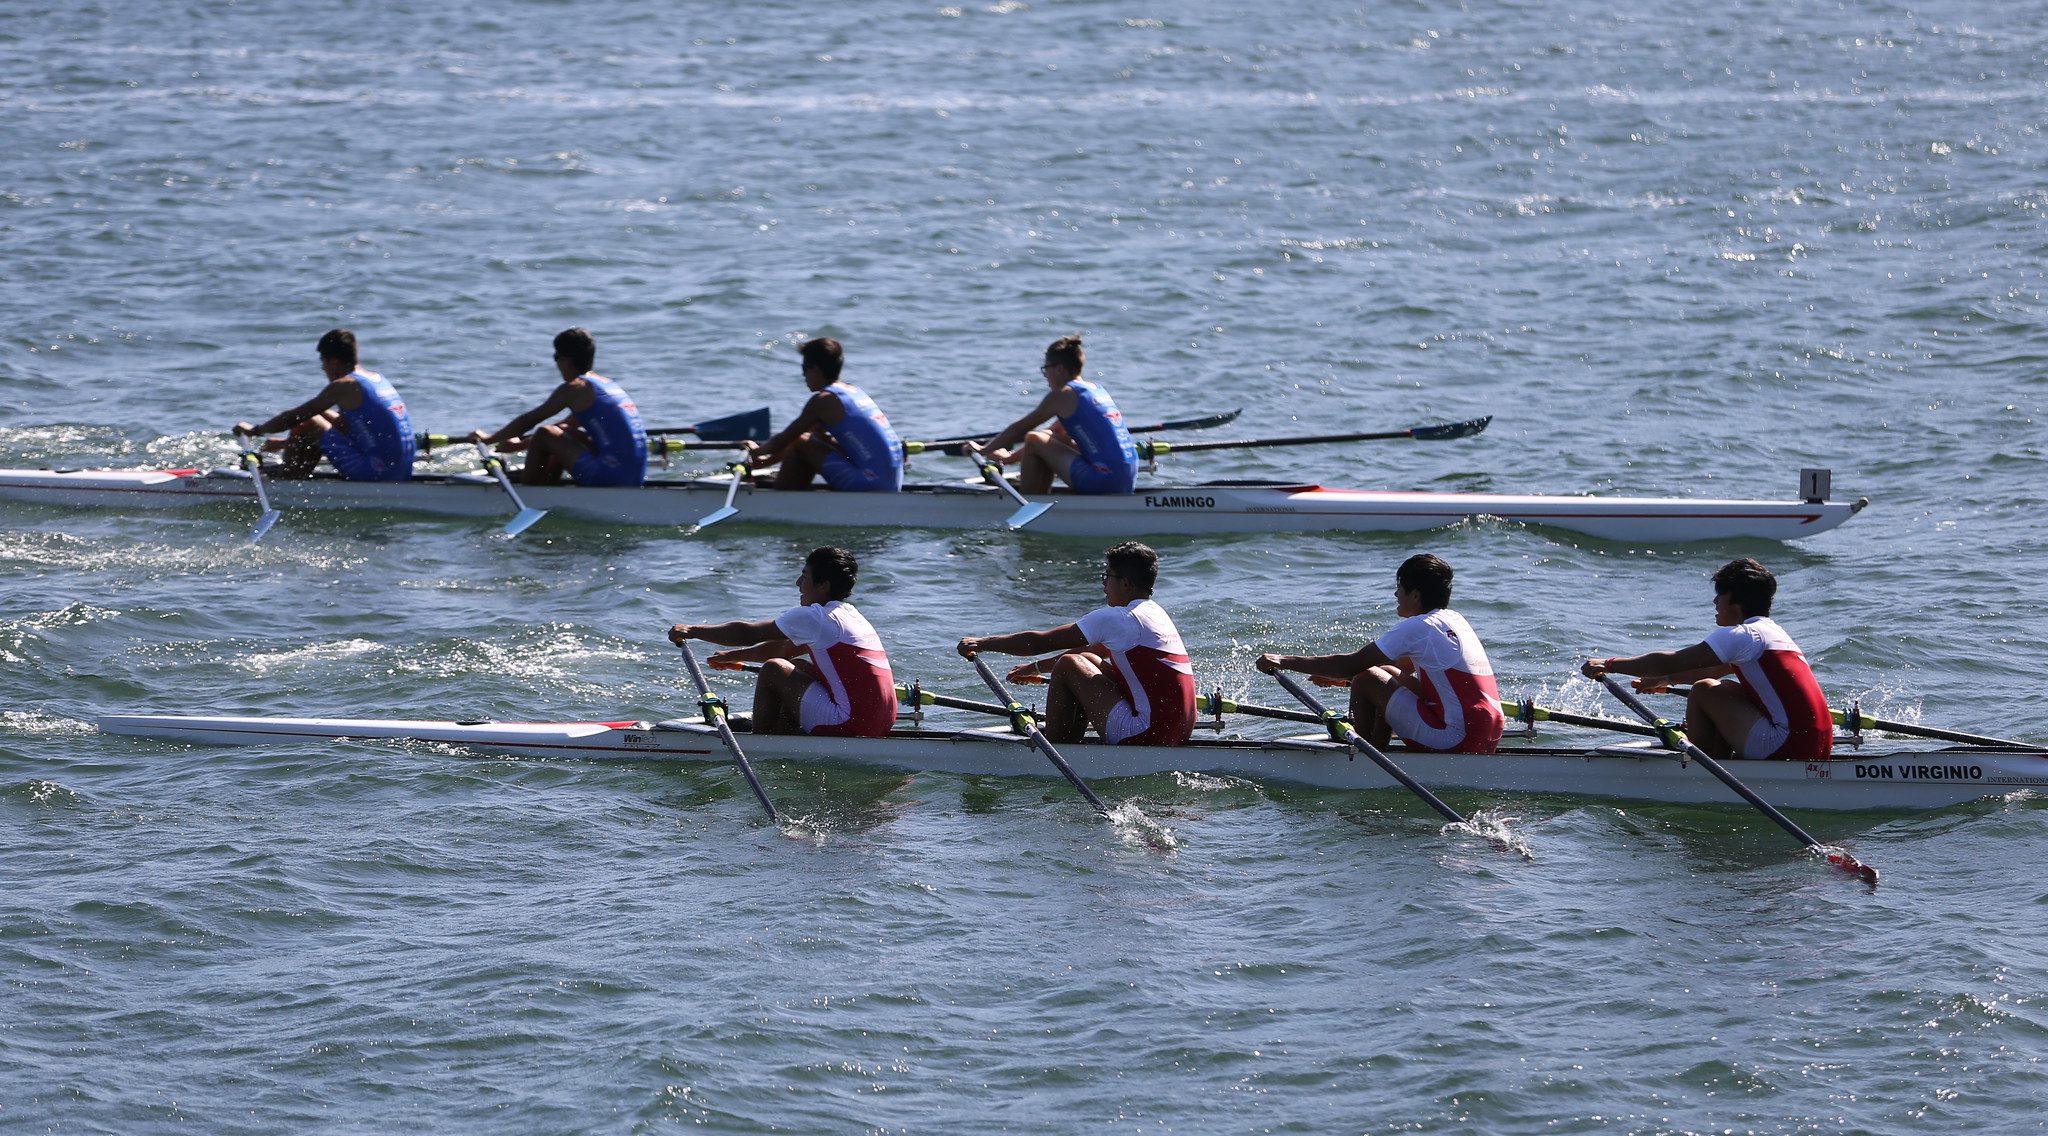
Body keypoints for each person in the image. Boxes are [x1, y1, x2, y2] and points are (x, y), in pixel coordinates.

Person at [1581, 558, 1831, 761]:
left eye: (1719, 595)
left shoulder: (1742, 635)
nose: (1715, 602)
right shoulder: (1773, 633)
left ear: (1736, 601)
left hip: (1786, 747)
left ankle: (1704, 766)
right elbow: (1711, 669)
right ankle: (1722, 756)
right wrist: (1665, 680)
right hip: (1819, 745)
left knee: (1703, 691)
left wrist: (1609, 664)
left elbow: (1670, 661)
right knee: (1725, 687)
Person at [1257, 554, 1505, 754]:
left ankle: (1363, 753)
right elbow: (1398, 668)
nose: (1396, 595)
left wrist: (1283, 661)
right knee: (1384, 673)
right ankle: (1379, 746)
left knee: (1366, 677)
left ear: (1415, 594)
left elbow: (1352, 665)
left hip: (1456, 740)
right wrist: (1348, 680)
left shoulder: (1419, 627)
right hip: (1489, 733)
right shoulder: (1453, 620)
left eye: (1399, 588)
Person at [957, 541, 1196, 745]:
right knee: (1087, 660)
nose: (1104, 585)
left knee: (1069, 663)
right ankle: (1071, 733)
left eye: (1107, 577)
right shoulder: (1155, 614)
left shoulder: (1117, 618)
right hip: (1178, 732)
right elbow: (1095, 650)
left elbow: (1038, 642)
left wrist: (983, 642)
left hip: (1145, 734)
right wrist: (1037, 668)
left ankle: (1056, 740)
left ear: (1126, 584)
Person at [667, 547, 897, 738]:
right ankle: (785, 731)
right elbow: (784, 648)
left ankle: (763, 741)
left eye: (805, 576)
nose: (798, 583)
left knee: (774, 669)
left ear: (823, 585)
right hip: (881, 724)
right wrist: (736, 656)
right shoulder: (849, 615)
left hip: (849, 724)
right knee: (798, 666)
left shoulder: (815, 616)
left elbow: (748, 632)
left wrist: (692, 630)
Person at [467, 327, 647, 487]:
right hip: (634, 476)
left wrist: (488, 439)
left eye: (556, 358)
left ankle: (530, 488)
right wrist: (517, 445)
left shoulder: (576, 388)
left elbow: (529, 420)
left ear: (566, 361)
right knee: (566, 431)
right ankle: (542, 480)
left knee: (544, 432)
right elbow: (563, 429)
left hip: (609, 477)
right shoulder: (606, 385)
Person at [964, 334, 1138, 494]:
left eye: (1045, 369)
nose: (1045, 375)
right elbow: (1052, 435)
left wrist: (983, 449)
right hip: (1126, 478)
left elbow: (1019, 429)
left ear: (1059, 369)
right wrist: (1009, 458)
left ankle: (1030, 503)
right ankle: (1042, 499)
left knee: (1033, 438)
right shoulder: (1095, 390)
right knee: (1045, 436)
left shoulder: (1063, 394)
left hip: (1103, 480)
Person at [233, 328, 413, 481]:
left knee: (308, 421)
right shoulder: (376, 378)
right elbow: (345, 426)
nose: (325, 371)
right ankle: (294, 468)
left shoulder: (345, 385)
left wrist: (255, 430)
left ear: (333, 362)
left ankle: (288, 477)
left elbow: (294, 417)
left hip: (375, 472)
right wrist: (287, 443)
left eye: (323, 366)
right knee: (322, 415)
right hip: (401, 471)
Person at [744, 337, 902, 491]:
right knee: (816, 437)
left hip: (870, 483)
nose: (803, 375)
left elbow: (785, 439)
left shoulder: (824, 400)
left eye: (805, 368)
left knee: (801, 441)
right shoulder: (853, 391)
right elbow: (807, 437)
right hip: (892, 482)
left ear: (816, 370)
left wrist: (756, 451)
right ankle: (792, 494)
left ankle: (780, 502)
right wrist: (765, 462)